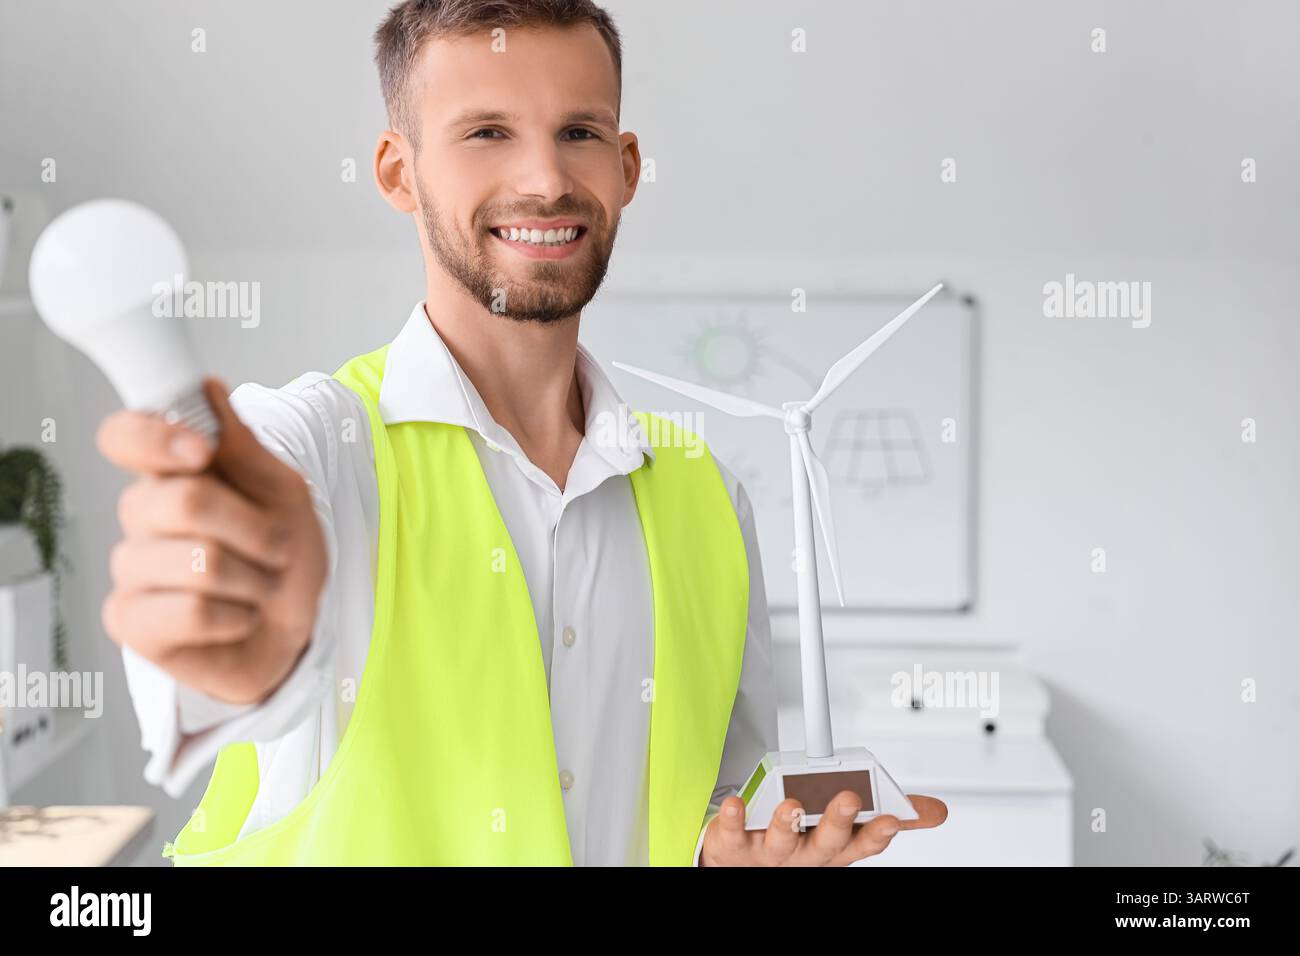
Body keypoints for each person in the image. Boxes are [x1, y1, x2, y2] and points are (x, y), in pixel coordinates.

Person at [97, 0, 946, 866]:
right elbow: (232, 616)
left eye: (579, 132)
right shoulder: (321, 444)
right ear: (399, 173)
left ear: (626, 168)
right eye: (487, 133)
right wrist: (241, 636)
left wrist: (724, 854)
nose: (544, 179)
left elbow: (718, 795)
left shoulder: (710, 494)